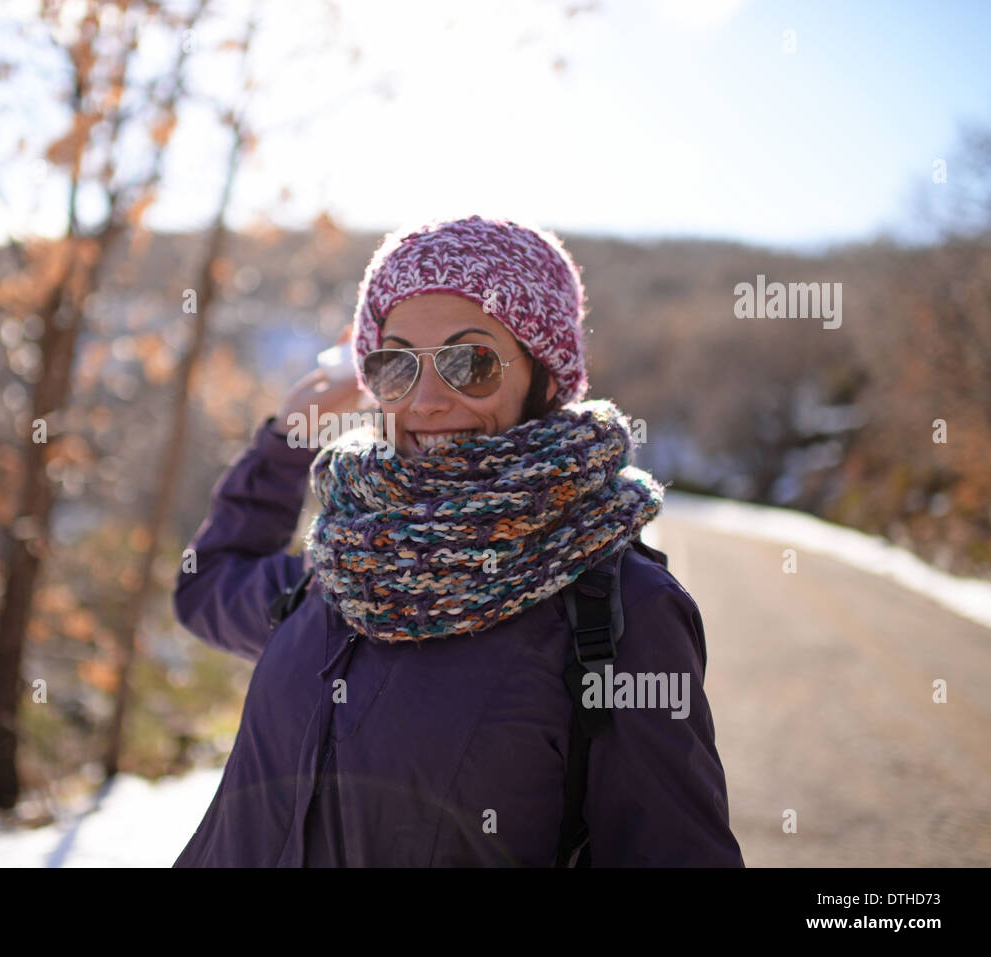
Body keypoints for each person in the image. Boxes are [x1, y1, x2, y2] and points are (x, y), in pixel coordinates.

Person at [171, 214, 744, 866]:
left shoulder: (621, 612)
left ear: (546, 375)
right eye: (395, 366)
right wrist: (287, 434)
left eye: (470, 363)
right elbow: (207, 582)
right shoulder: (342, 564)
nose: (427, 400)